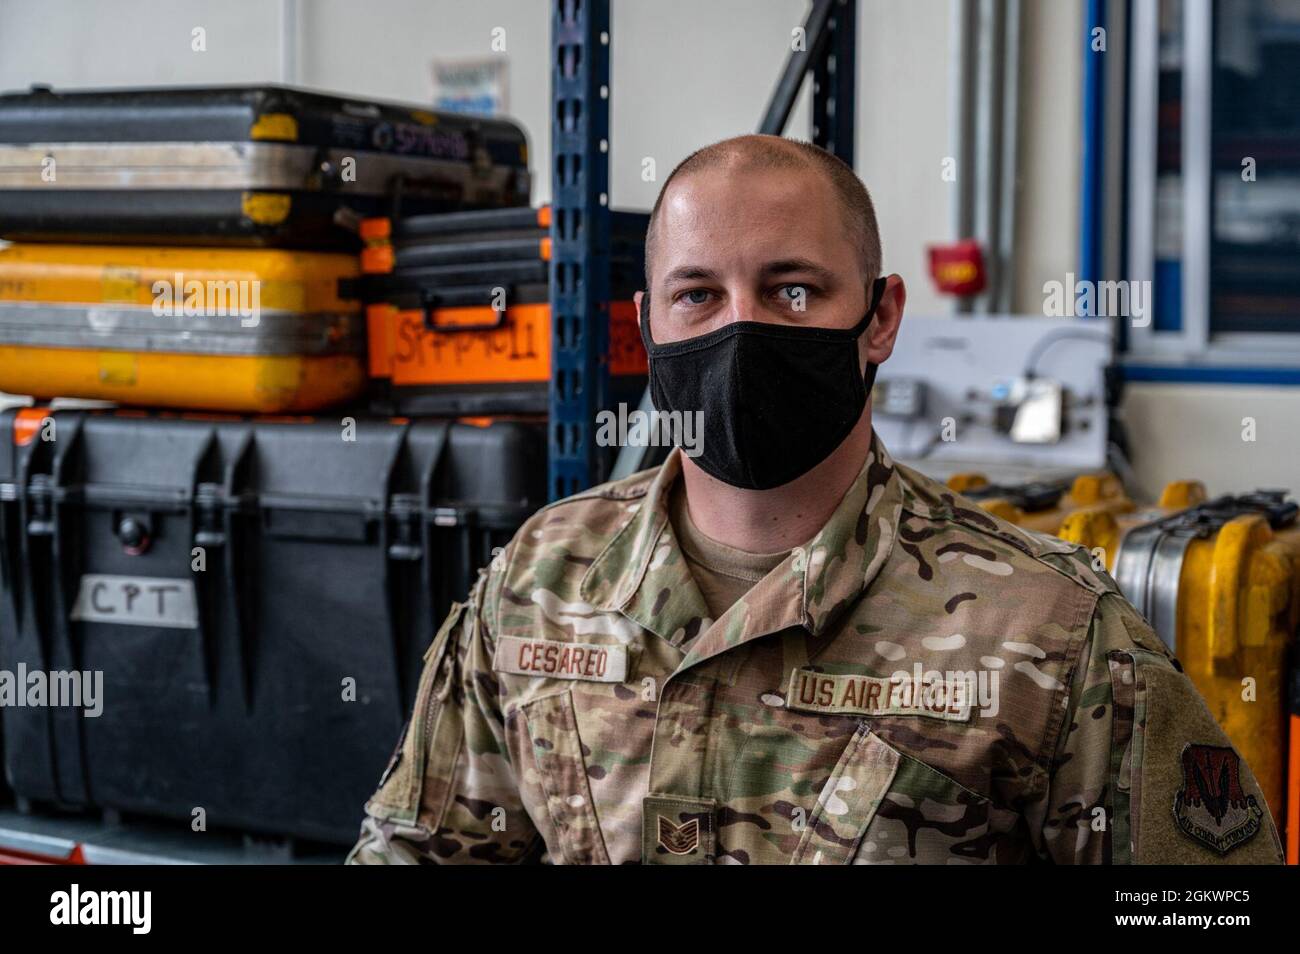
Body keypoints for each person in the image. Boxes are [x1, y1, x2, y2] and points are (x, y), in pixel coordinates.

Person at [347, 134, 1283, 864]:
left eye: (792, 292)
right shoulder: (538, 579)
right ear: (645, 326)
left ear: (878, 318)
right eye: (698, 296)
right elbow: (415, 853)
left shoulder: (1052, 629)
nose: (742, 328)